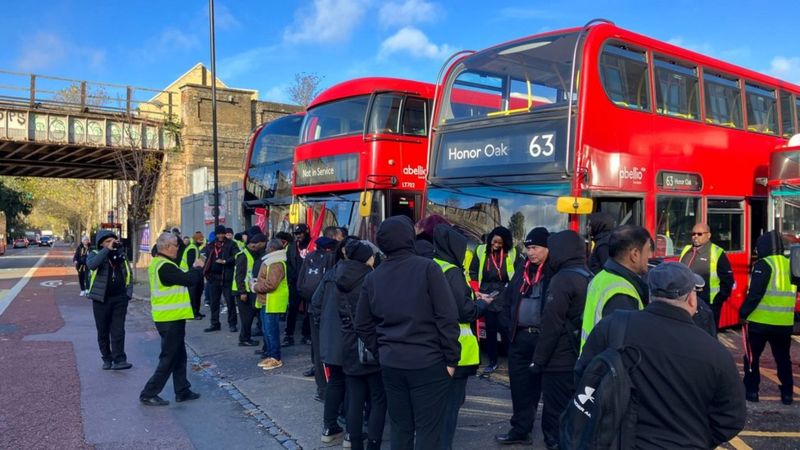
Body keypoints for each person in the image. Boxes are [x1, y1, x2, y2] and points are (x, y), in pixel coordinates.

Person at [577, 262, 746, 448]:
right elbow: (733, 417)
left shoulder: (613, 325)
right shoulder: (714, 352)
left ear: (650, 295)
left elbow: (583, 375)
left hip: (622, 442)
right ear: (691, 298)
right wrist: (699, 438)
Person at [356, 216, 460, 450]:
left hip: (392, 364)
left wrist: (381, 350)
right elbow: (447, 316)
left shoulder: (373, 277)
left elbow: (362, 323)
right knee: (428, 431)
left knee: (400, 429)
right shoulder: (428, 268)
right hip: (429, 362)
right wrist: (451, 359)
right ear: (409, 238)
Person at [530, 230, 591, 450]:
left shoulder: (562, 279)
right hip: (579, 355)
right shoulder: (588, 275)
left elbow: (551, 324)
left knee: (555, 413)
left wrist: (538, 360)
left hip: (559, 359)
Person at [433, 224, 492, 450]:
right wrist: (481, 304)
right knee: (449, 409)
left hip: (433, 348)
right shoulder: (453, 272)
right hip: (457, 352)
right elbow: (464, 311)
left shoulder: (432, 264)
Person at [496, 227, 550, 446]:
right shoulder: (522, 269)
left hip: (544, 340)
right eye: (528, 248)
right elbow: (506, 299)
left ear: (547, 248)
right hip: (519, 338)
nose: (531, 252)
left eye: (535, 247)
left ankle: (552, 435)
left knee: (545, 389)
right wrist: (507, 325)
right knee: (519, 388)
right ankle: (520, 430)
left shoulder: (554, 271)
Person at [139, 232, 204, 406]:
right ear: (167, 247)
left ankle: (182, 390)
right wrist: (197, 267)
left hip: (170, 317)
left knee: (179, 355)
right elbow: (189, 280)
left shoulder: (161, 263)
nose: (178, 247)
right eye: (175, 245)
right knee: (168, 358)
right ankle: (149, 392)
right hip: (170, 319)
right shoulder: (165, 267)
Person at [336, 240, 385, 450]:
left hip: (347, 342)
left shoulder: (339, 275)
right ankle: (373, 444)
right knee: (378, 398)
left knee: (354, 398)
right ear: (366, 258)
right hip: (370, 342)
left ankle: (355, 442)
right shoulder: (371, 278)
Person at [740, 230, 796, 405]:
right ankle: (787, 394)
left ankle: (751, 391)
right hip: (784, 322)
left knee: (751, 358)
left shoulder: (764, 264)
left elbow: (755, 293)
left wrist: (743, 313)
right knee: (783, 359)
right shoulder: (790, 264)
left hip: (760, 322)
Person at [580, 224, 651, 352]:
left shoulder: (601, 277)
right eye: (648, 250)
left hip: (594, 364)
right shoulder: (622, 293)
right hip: (608, 368)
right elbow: (624, 347)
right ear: (635, 254)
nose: (650, 256)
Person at [469, 226, 518, 375]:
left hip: (504, 295)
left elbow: (518, 274)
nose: (496, 245)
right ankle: (492, 362)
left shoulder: (513, 253)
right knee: (490, 332)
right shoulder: (480, 250)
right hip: (486, 295)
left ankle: (512, 363)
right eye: (494, 242)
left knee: (506, 331)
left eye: (500, 244)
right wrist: (476, 291)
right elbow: (472, 272)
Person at [304, 228, 345, 400]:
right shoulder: (334, 263)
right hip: (329, 314)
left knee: (320, 350)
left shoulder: (310, 256)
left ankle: (322, 390)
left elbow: (301, 283)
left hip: (314, 310)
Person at [86, 230, 133, 371]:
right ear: (101, 244)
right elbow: (92, 265)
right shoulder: (94, 254)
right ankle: (107, 358)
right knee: (103, 331)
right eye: (107, 241)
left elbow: (128, 273)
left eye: (113, 241)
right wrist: (106, 250)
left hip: (119, 298)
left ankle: (120, 359)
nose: (111, 243)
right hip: (101, 300)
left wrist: (128, 293)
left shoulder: (120, 255)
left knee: (118, 330)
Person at [679, 223, 735, 329]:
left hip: (708, 305)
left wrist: (717, 301)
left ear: (708, 235)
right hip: (686, 303)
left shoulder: (717, 252)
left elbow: (728, 280)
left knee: (708, 337)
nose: (695, 236)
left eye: (699, 234)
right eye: (693, 234)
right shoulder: (687, 250)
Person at [254, 239, 290, 370]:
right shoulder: (272, 261)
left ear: (273, 248)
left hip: (272, 301)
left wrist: (255, 286)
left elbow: (271, 284)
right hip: (267, 301)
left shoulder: (276, 263)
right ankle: (270, 355)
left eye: (268, 246)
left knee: (271, 331)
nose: (266, 248)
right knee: (266, 330)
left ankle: (275, 357)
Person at [203, 225, 238, 333]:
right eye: (218, 234)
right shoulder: (211, 245)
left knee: (230, 302)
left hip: (226, 277)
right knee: (214, 302)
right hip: (213, 278)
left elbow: (237, 256)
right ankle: (214, 323)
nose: (221, 236)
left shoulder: (231, 244)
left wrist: (225, 261)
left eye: (222, 233)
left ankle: (232, 324)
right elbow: (204, 257)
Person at [233, 234, 267, 347]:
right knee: (246, 317)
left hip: (249, 290)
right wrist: (242, 291)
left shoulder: (252, 254)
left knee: (250, 315)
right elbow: (239, 275)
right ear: (253, 245)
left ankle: (246, 338)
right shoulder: (243, 256)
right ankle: (244, 339)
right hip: (243, 291)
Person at [284, 224, 312, 347]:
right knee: (292, 309)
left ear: (306, 233)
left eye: (300, 233)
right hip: (295, 283)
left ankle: (306, 334)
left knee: (309, 310)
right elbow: (288, 263)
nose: (298, 236)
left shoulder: (312, 245)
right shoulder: (291, 247)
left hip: (309, 282)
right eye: (296, 234)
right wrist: (292, 275)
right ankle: (289, 335)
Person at [180, 231, 206, 320]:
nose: (202, 241)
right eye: (200, 239)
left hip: (194, 274)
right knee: (193, 295)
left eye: (202, 239)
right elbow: (191, 263)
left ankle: (196, 312)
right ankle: (193, 313)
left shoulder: (195, 247)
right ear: (196, 239)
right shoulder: (192, 248)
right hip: (190, 274)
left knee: (197, 293)